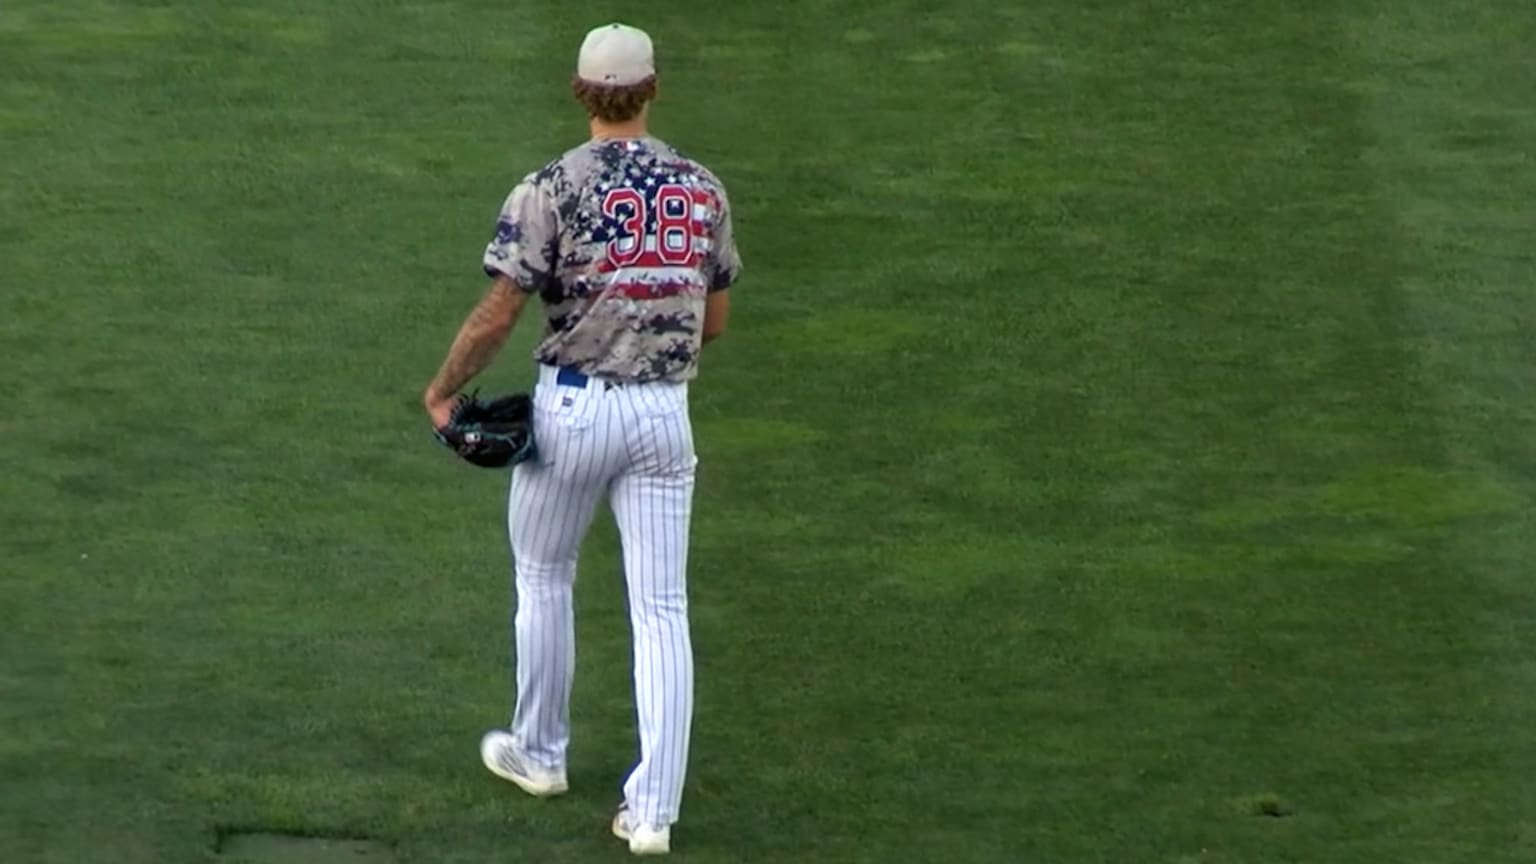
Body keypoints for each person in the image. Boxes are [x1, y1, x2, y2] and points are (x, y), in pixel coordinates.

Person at [421, 21, 742, 857]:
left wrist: (444, 390)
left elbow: (500, 312)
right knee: (661, 611)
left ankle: (539, 753)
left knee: (543, 576)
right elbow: (712, 321)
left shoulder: (551, 186)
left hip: (572, 411)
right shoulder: (701, 188)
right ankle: (653, 813)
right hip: (664, 416)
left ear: (580, 92)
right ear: (652, 88)